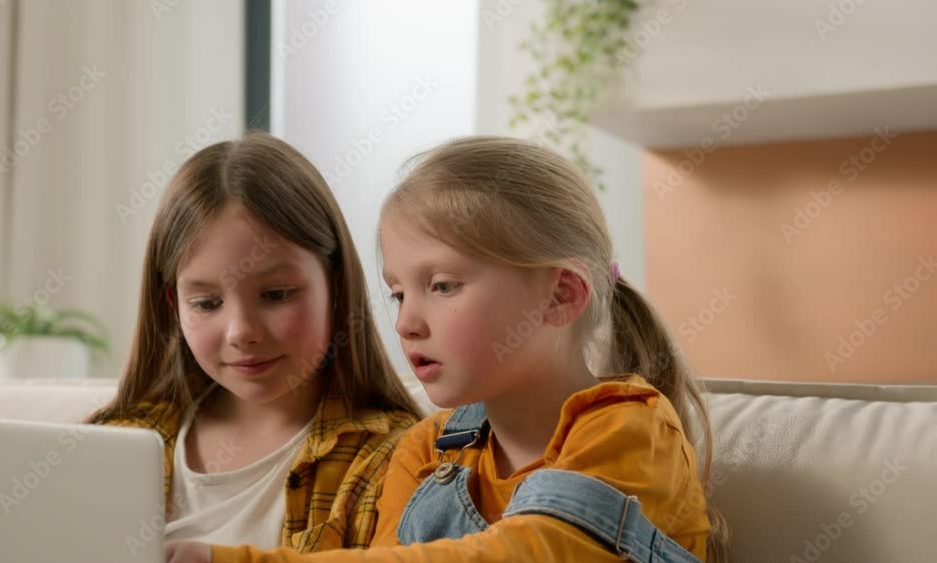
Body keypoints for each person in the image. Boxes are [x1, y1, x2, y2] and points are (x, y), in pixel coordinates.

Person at [164, 136, 729, 562]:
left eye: (442, 286)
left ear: (561, 295)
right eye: (397, 292)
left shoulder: (628, 431)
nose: (407, 321)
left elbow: (526, 552)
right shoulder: (427, 450)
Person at [88, 133, 422, 557]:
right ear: (173, 304)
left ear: (336, 284)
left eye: (277, 294)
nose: (241, 331)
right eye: (207, 303)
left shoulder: (391, 458)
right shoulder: (110, 447)